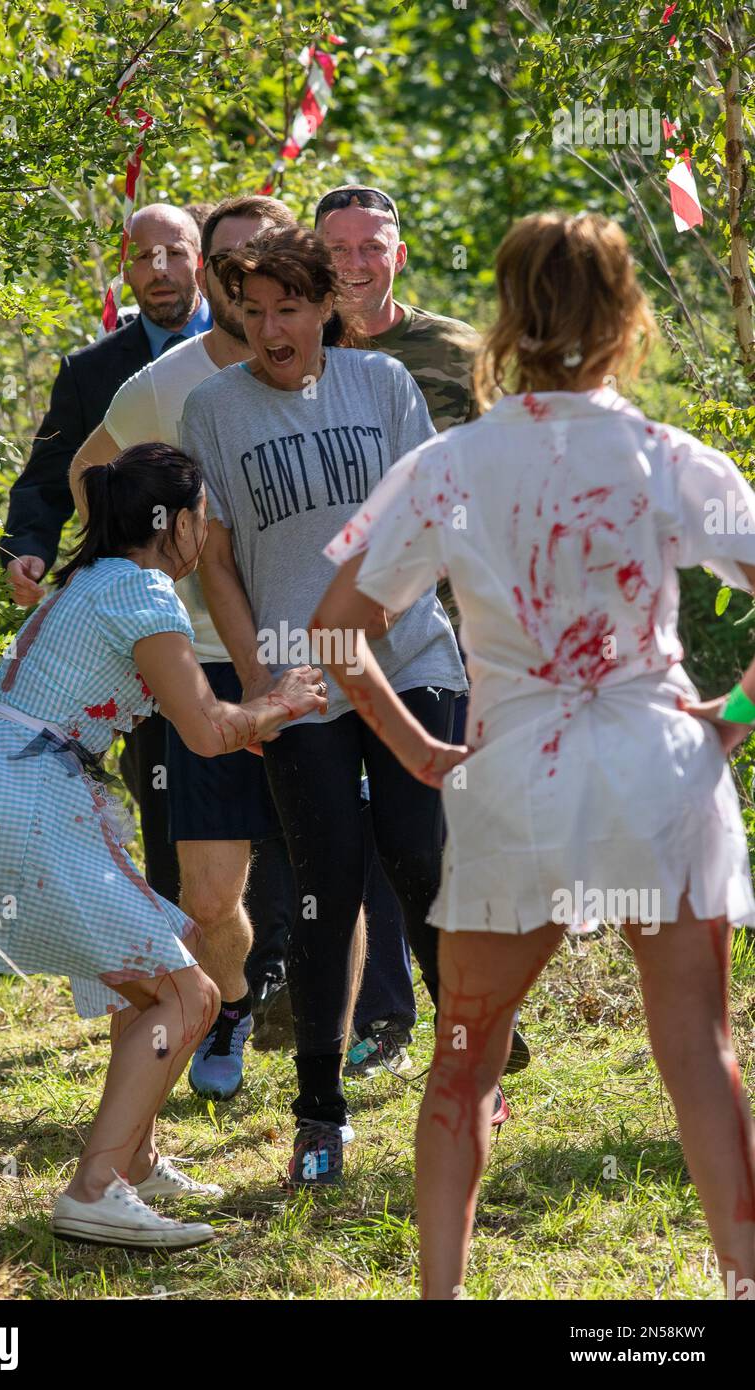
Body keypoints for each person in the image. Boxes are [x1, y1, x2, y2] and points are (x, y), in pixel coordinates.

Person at [312, 210, 755, 1298]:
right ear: (627, 317)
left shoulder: (450, 463)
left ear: (508, 316)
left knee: (464, 1053)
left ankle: (442, 1297)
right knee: (699, 1053)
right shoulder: (666, 455)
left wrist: (417, 747)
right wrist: (732, 715)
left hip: (515, 774)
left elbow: (334, 631)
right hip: (661, 765)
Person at [0, 443, 326, 1248]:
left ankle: (135, 1163)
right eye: (203, 516)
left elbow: (184, 712)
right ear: (175, 523)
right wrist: (279, 703)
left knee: (164, 964)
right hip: (23, 792)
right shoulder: (144, 591)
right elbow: (208, 729)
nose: (207, 530)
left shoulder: (95, 581)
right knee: (190, 995)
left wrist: (239, 721)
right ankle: (95, 1187)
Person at [183, 223, 467, 1184]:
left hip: (411, 657)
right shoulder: (212, 409)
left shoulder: (381, 385)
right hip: (298, 683)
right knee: (325, 885)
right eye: (253, 311)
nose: (272, 329)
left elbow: (430, 519)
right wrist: (260, 680)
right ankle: (319, 1114)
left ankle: (468, 1058)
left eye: (290, 308)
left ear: (325, 308)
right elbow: (218, 558)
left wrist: (373, 626)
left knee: (418, 857)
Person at [68, 195, 301, 1098]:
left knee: (336, 868)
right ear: (211, 273)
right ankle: (233, 1005)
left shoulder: (338, 371)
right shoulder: (166, 384)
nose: (248, 281)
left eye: (266, 262)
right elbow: (90, 471)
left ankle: (334, 1058)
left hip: (321, 652)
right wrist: (143, 577)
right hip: (206, 659)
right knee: (208, 896)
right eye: (231, 266)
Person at [315, 183, 484, 1078]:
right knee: (362, 827)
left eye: (370, 247)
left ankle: (471, 1003)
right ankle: (384, 1018)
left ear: (399, 256)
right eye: (335, 248)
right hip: (326, 624)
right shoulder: (293, 346)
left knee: (429, 827)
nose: (353, 265)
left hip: (443, 632)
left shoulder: (456, 352)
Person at [0, 202, 211, 902]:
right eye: (143, 256)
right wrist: (29, 550)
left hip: (249, 609)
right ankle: (174, 946)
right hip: (139, 622)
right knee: (162, 794)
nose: (160, 268)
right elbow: (45, 481)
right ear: (125, 268)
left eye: (174, 252)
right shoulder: (92, 371)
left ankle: (268, 959)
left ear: (201, 259)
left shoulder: (250, 345)